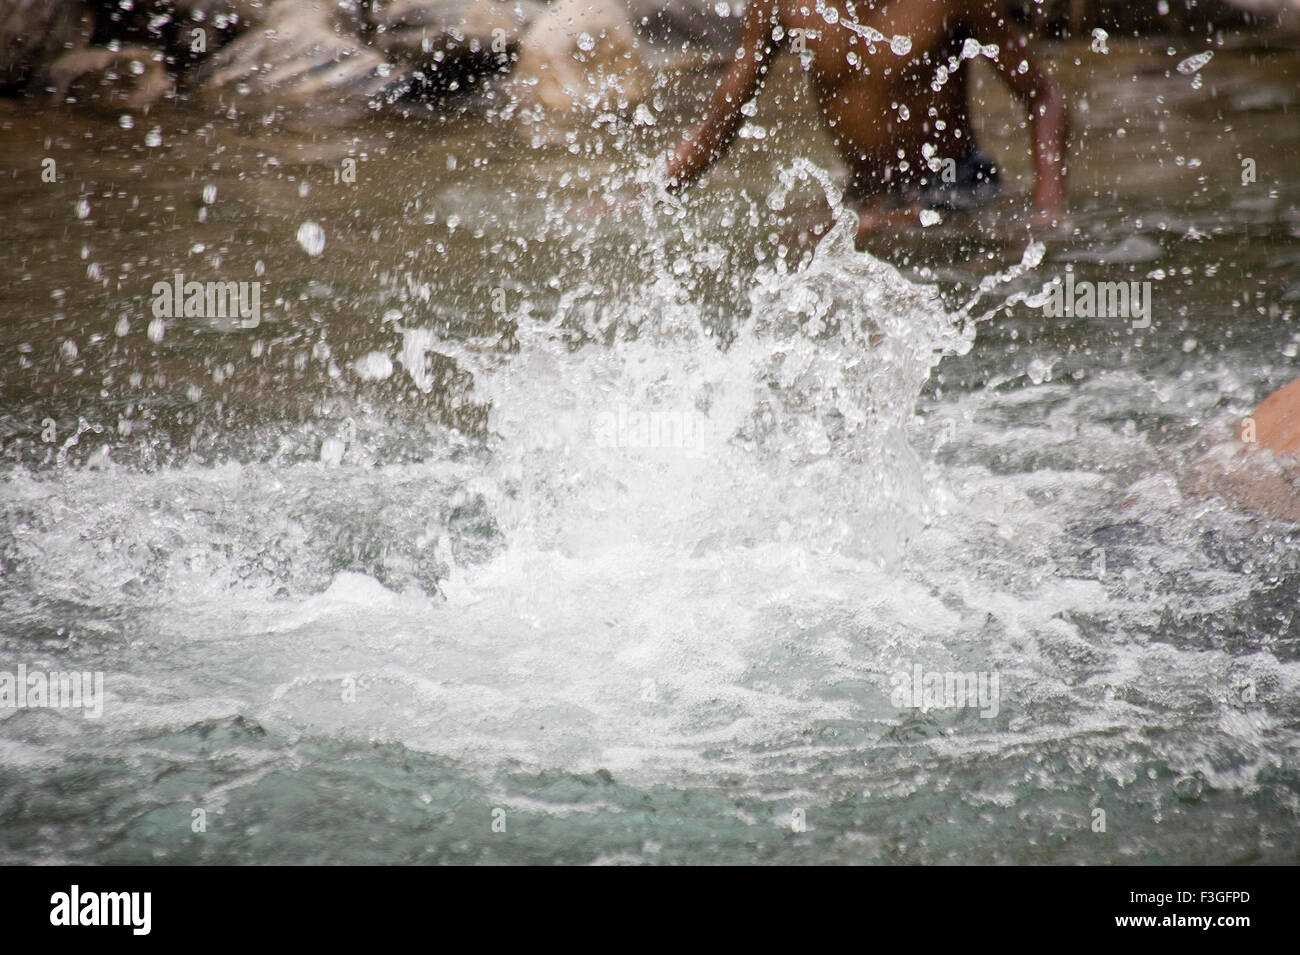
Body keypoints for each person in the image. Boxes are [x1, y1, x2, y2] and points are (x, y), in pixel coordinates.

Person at [664, 0, 1069, 242]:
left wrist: (1048, 206)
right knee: (783, 241)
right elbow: (720, 120)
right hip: (865, 194)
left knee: (860, 237)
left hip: (954, 185)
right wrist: (656, 194)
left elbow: (1043, 97)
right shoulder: (785, 7)